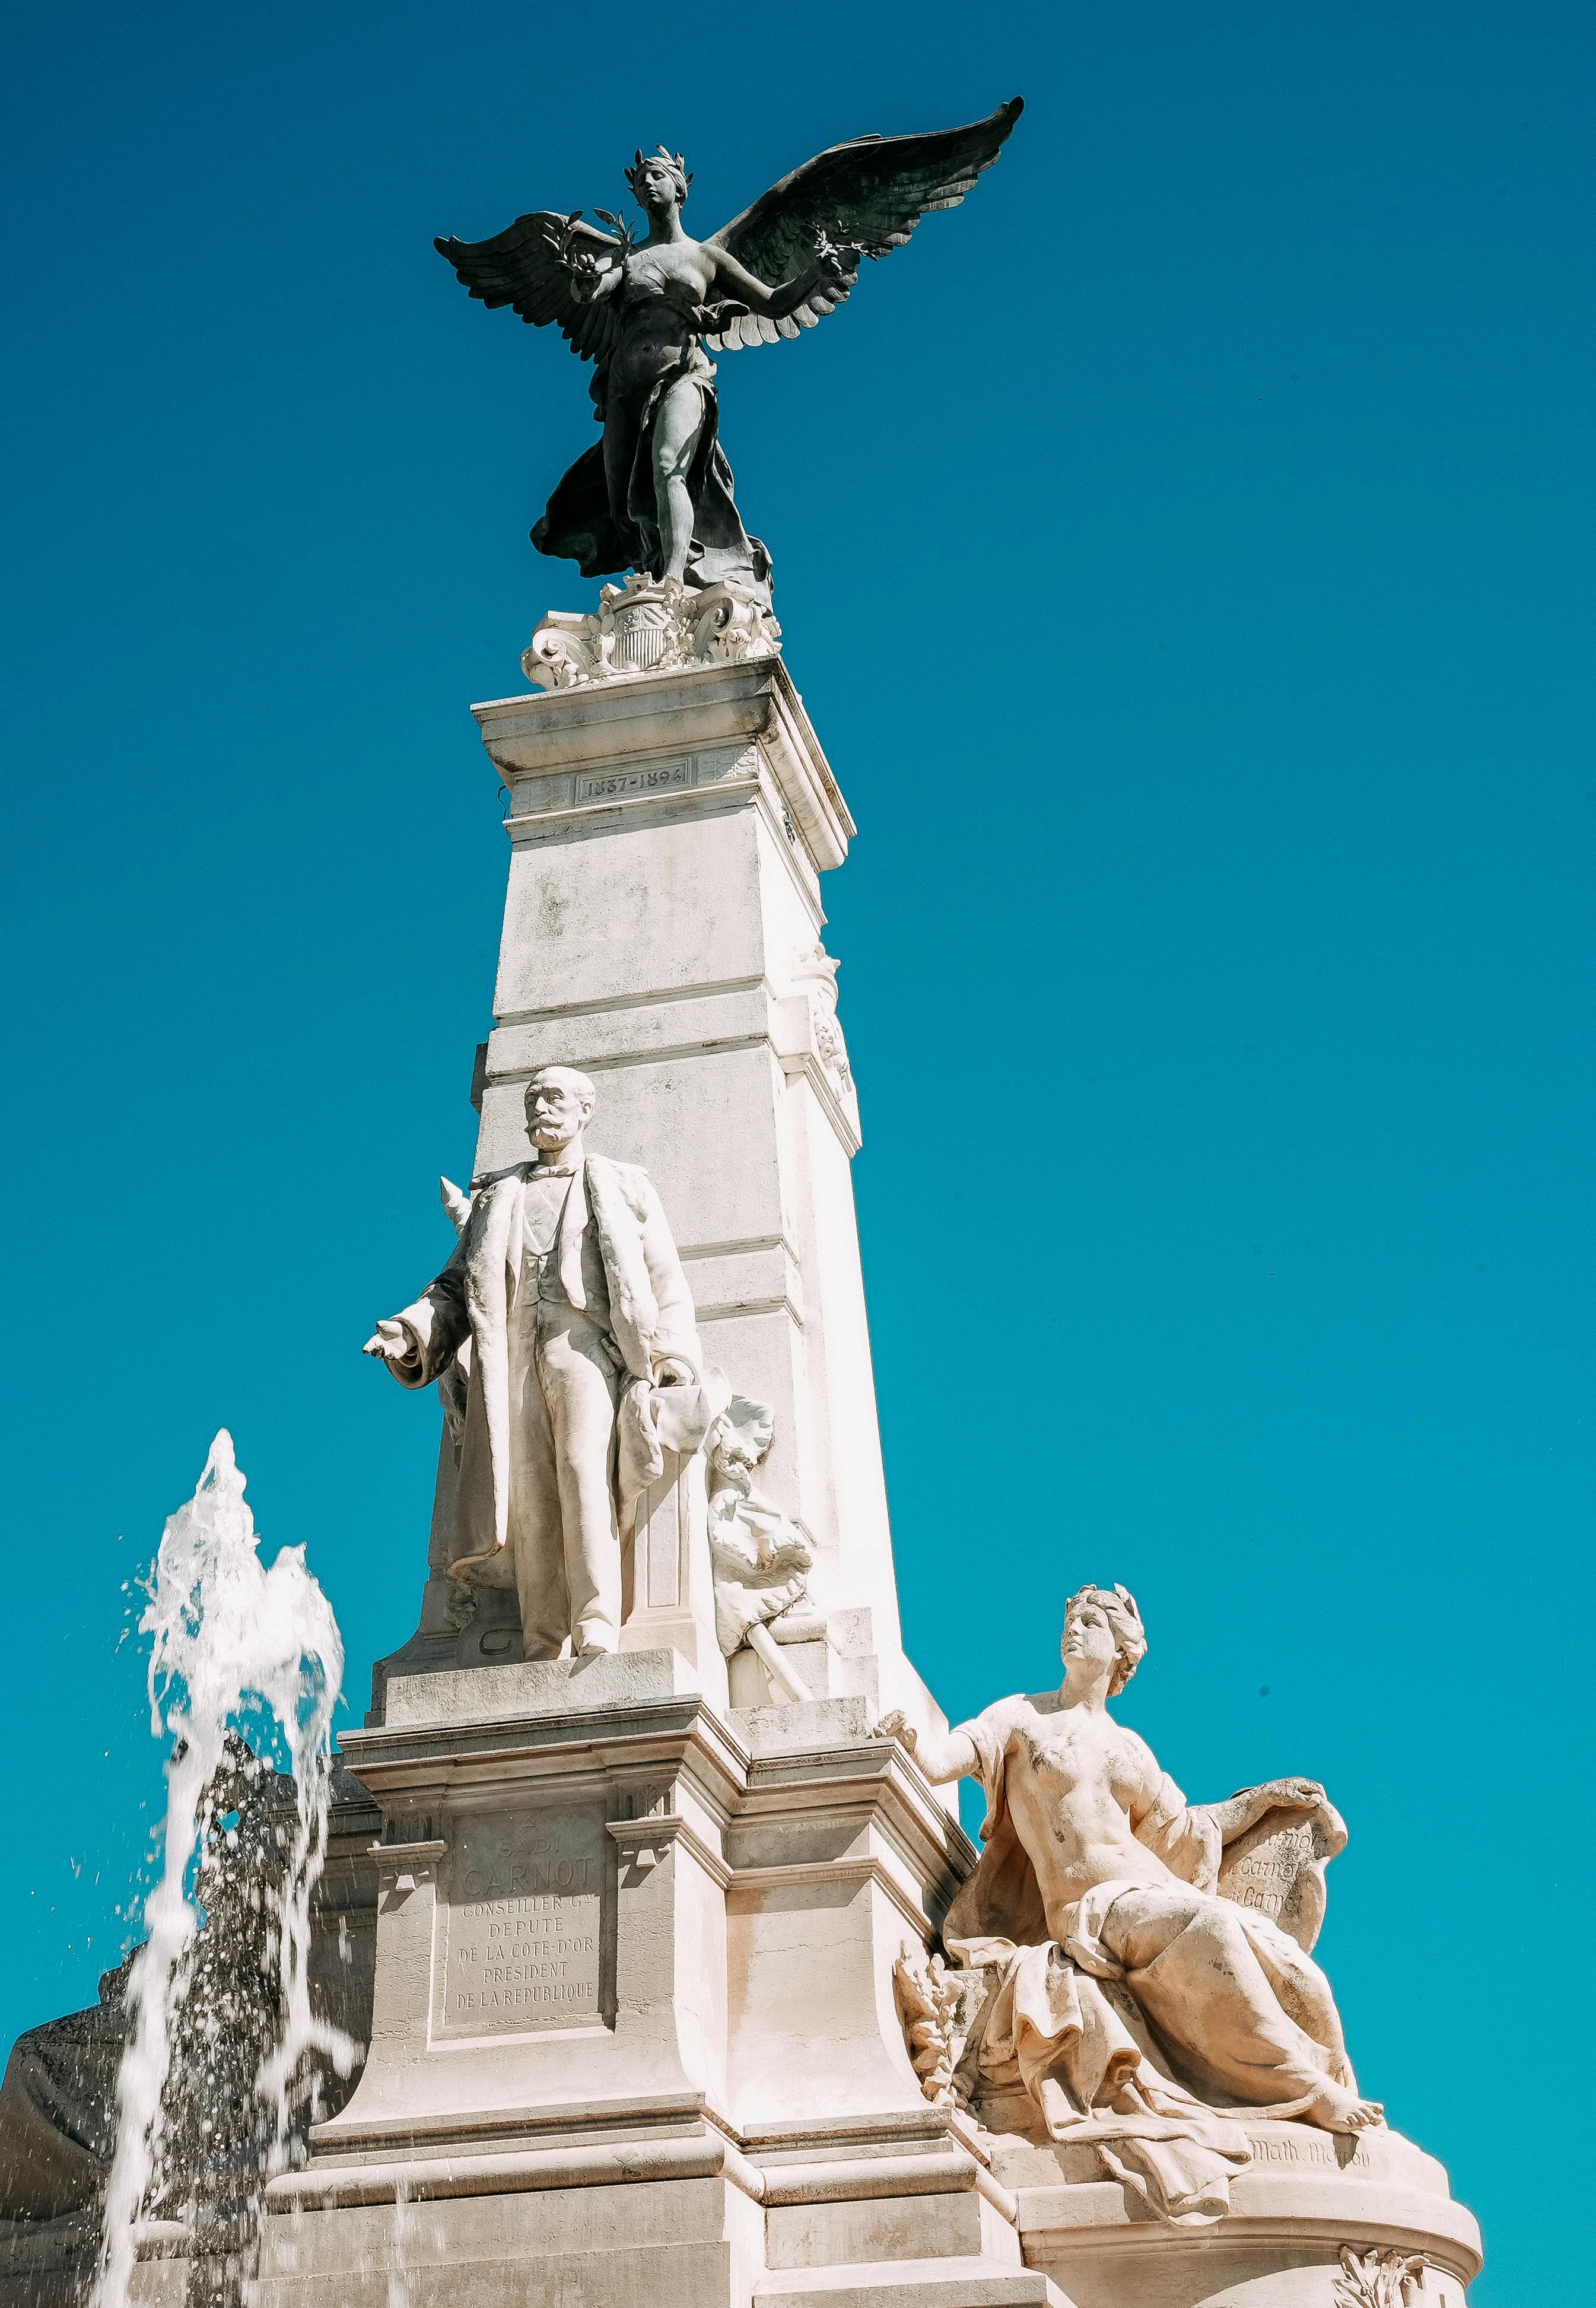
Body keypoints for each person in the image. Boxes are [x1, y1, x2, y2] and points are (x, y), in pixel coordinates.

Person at [874, 1583, 1381, 2217]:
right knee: (1208, 1926)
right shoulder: (1021, 1715)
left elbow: (1183, 1833)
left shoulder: (1128, 1748)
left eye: (1091, 1621)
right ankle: (1303, 2088)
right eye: (1070, 1618)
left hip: (1145, 1889)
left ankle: (1320, 2074)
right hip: (1089, 1909)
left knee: (1282, 1958)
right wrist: (910, 1745)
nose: (1073, 1629)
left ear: (1120, 1651)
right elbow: (951, 1753)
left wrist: (1253, 1803)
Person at [364, 1066, 704, 1657]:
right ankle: (545, 1635)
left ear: (583, 1109)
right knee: (529, 1497)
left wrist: (670, 1356)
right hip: (515, 1353)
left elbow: (663, 1279)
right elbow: (452, 1288)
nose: (540, 1108)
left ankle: (596, 1615)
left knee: (581, 1471)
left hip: (584, 1350)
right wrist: (410, 1331)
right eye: (532, 1099)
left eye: (553, 1098)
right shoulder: (499, 1196)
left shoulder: (622, 1185)